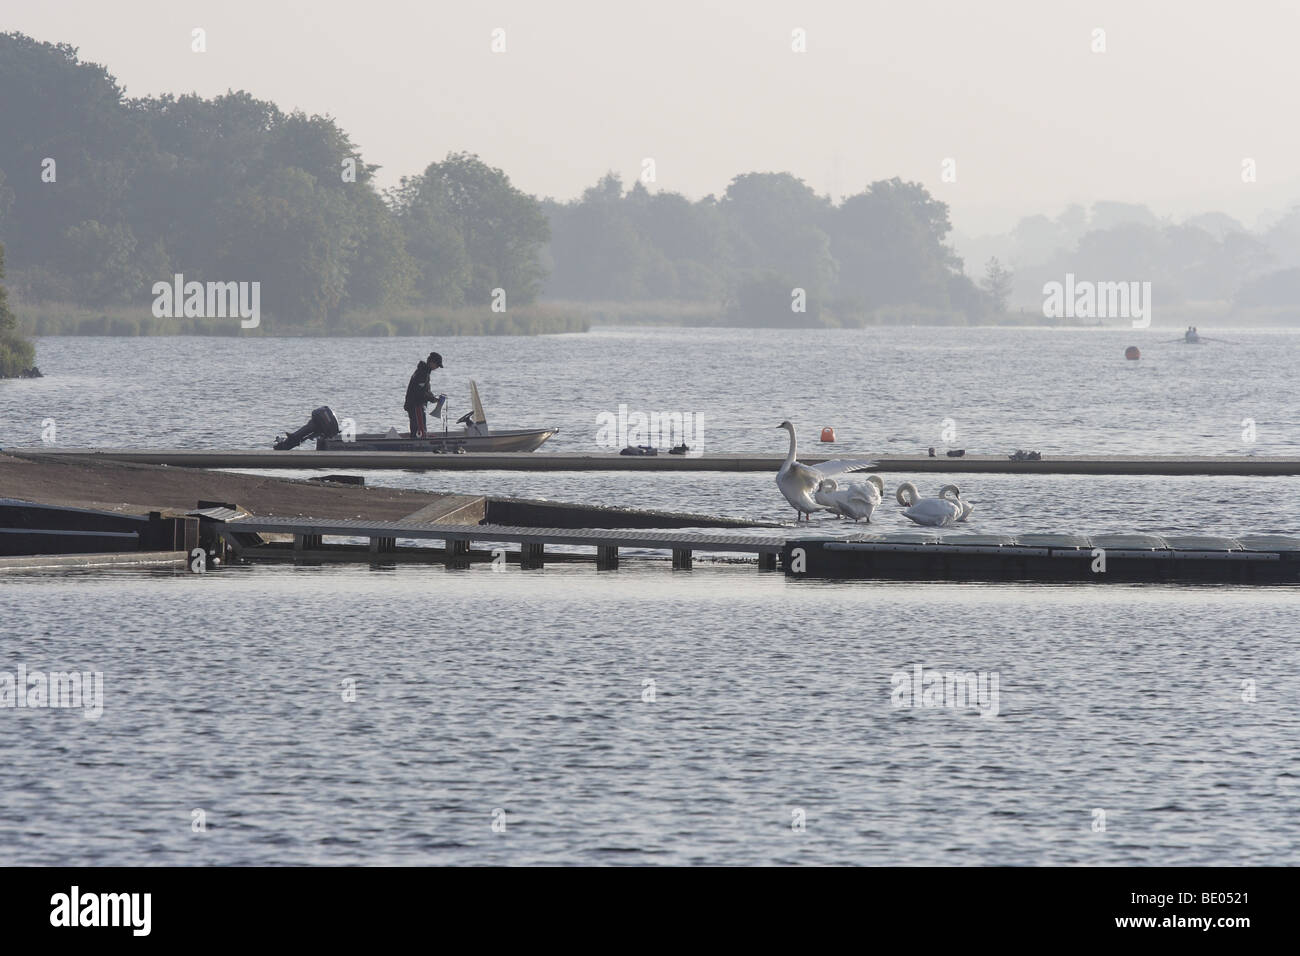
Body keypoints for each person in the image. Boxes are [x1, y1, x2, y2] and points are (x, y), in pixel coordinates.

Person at [403, 351, 443, 437]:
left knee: (418, 430)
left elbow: (425, 390)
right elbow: (420, 393)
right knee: (420, 432)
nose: (437, 368)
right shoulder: (422, 373)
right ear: (431, 362)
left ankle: (415, 442)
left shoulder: (423, 371)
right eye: (437, 365)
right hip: (416, 405)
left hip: (416, 405)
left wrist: (433, 397)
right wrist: (432, 399)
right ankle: (418, 445)